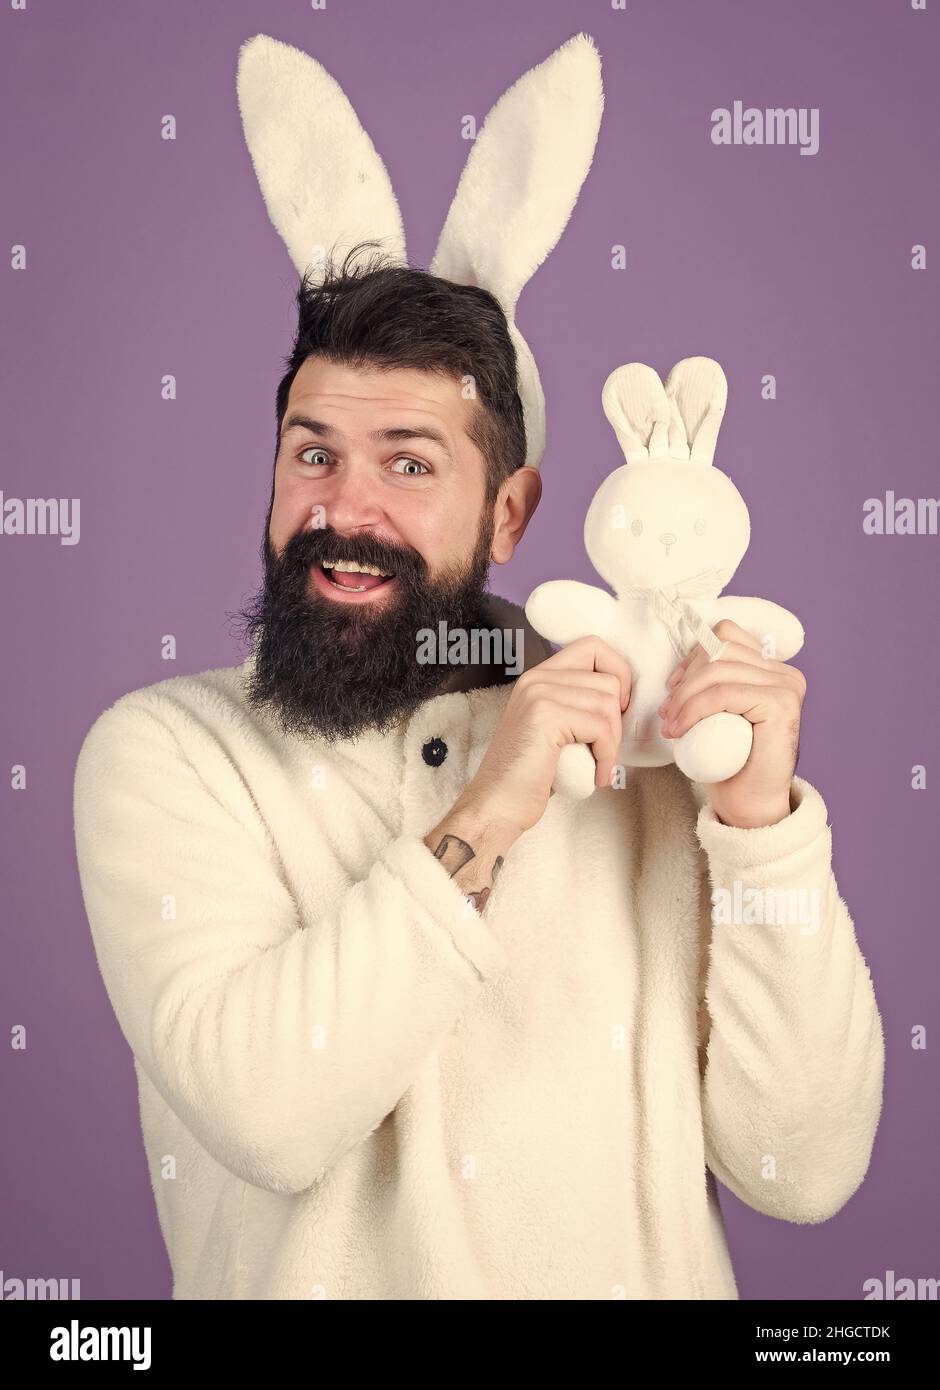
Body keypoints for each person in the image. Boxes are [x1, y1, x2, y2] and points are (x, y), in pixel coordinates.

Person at [73, 245, 884, 1301]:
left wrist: (759, 824)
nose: (343, 510)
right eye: (312, 456)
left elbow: (806, 1170)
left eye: (409, 464)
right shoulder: (168, 750)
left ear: (509, 511)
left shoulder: (644, 752)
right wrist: (489, 809)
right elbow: (266, 1117)